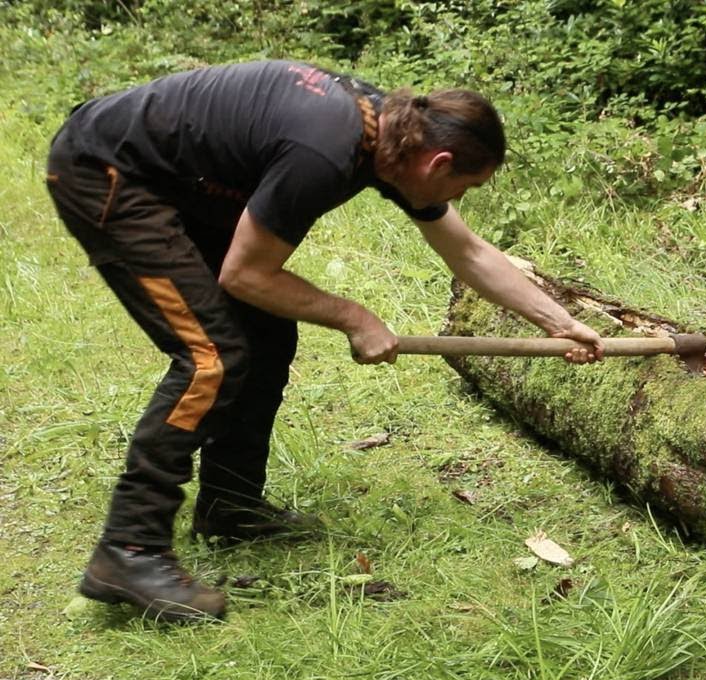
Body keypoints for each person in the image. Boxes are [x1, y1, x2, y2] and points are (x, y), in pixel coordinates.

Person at [45, 60, 604, 622]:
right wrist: (355, 317)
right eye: (468, 184)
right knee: (209, 359)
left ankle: (230, 506)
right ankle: (129, 549)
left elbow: (470, 253)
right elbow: (245, 275)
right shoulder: (324, 149)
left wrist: (560, 323)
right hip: (108, 171)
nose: (462, 195)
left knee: (263, 334)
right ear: (439, 163)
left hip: (179, 179)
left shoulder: (393, 134)